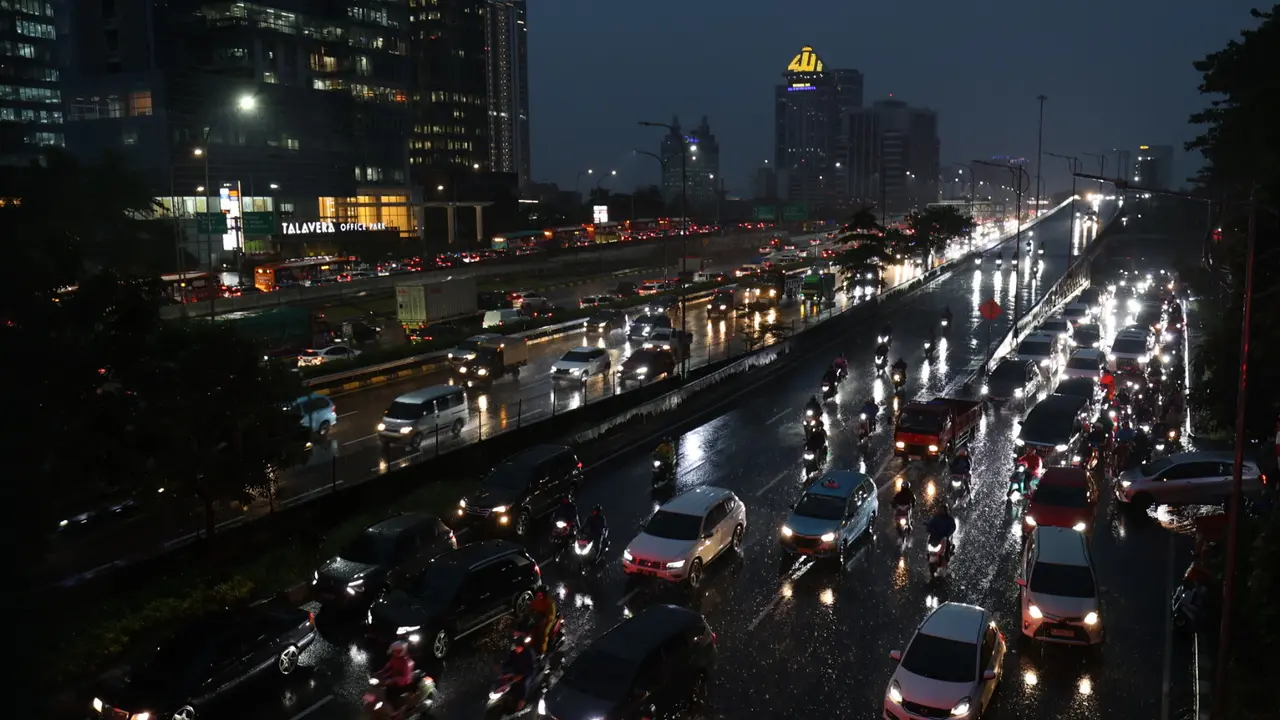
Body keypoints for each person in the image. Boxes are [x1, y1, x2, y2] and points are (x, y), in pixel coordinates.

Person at [375, 640, 416, 711]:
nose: (394, 653)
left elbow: (405, 678)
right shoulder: (394, 658)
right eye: (393, 651)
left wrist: (393, 680)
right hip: (394, 680)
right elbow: (387, 667)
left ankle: (396, 712)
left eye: (396, 651)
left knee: (393, 698)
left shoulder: (406, 662)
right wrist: (378, 673)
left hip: (404, 684)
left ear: (402, 651)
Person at [501, 641, 537, 707]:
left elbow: (531, 668)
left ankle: (522, 701)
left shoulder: (528, 653)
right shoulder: (513, 653)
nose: (516, 649)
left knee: (525, 684)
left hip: (526, 673)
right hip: (516, 671)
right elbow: (509, 662)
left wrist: (521, 675)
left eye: (518, 647)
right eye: (516, 647)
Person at [527, 586, 559, 656]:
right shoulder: (537, 601)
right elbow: (530, 608)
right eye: (538, 593)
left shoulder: (550, 603)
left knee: (544, 634)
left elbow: (551, 616)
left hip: (547, 621)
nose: (539, 595)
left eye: (541, 593)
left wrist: (544, 621)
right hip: (538, 619)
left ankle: (542, 651)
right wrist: (527, 615)